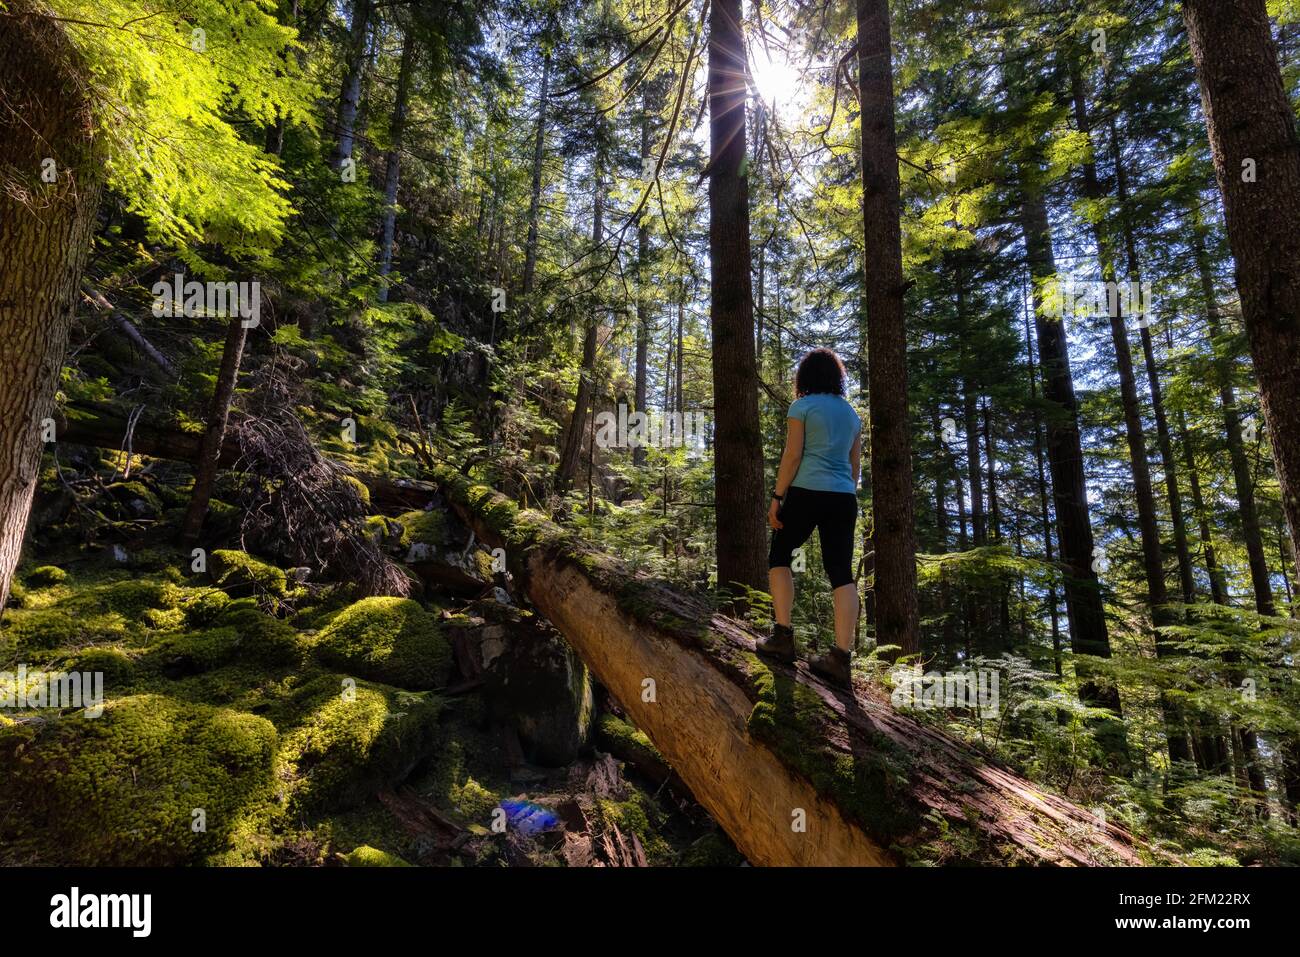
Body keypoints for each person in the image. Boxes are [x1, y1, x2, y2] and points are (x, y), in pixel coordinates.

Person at [757, 348, 862, 689]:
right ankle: (841, 659)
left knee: (779, 555)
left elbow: (793, 454)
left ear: (805, 377)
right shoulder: (851, 414)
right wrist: (844, 490)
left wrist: (777, 497)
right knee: (841, 573)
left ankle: (783, 637)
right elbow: (855, 466)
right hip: (844, 497)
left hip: (805, 491)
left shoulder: (802, 407)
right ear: (836, 377)